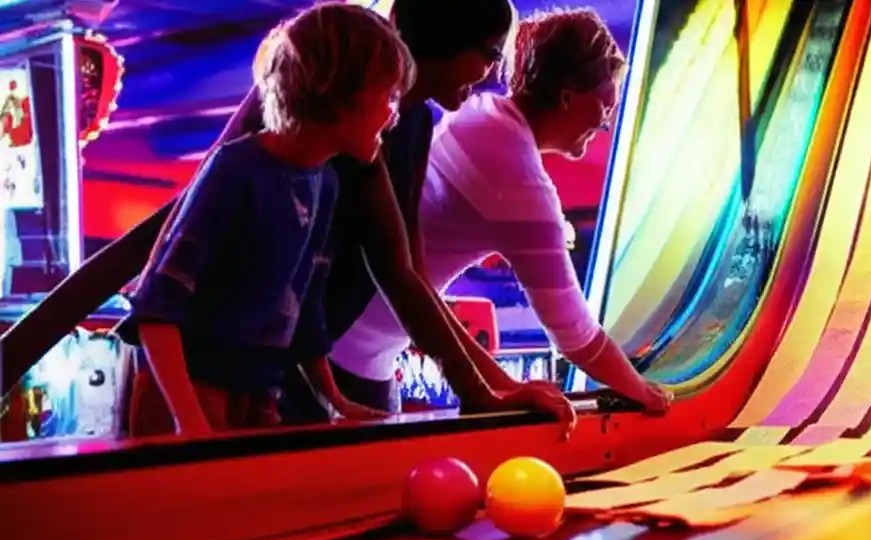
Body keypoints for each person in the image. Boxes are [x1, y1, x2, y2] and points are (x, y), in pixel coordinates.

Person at [0, 0, 576, 435]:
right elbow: (165, 242)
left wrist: (490, 388)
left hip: (272, 373)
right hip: (206, 371)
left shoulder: (398, 129)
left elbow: (402, 271)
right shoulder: (309, 105)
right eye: (489, 54)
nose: (491, 74)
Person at [328, 8, 672, 414]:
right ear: (567, 97)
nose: (606, 122)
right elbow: (576, 335)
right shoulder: (518, 180)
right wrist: (646, 394)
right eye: (605, 105)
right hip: (347, 358)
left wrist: (501, 386)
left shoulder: (481, 117)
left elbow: (418, 280)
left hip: (361, 355)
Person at [121, 3, 407, 436]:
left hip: (257, 389)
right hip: (188, 387)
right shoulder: (236, 169)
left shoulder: (324, 181)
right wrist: (189, 419)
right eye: (386, 96)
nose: (392, 113)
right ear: (337, 90)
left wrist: (335, 398)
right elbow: (157, 305)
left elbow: (304, 302)